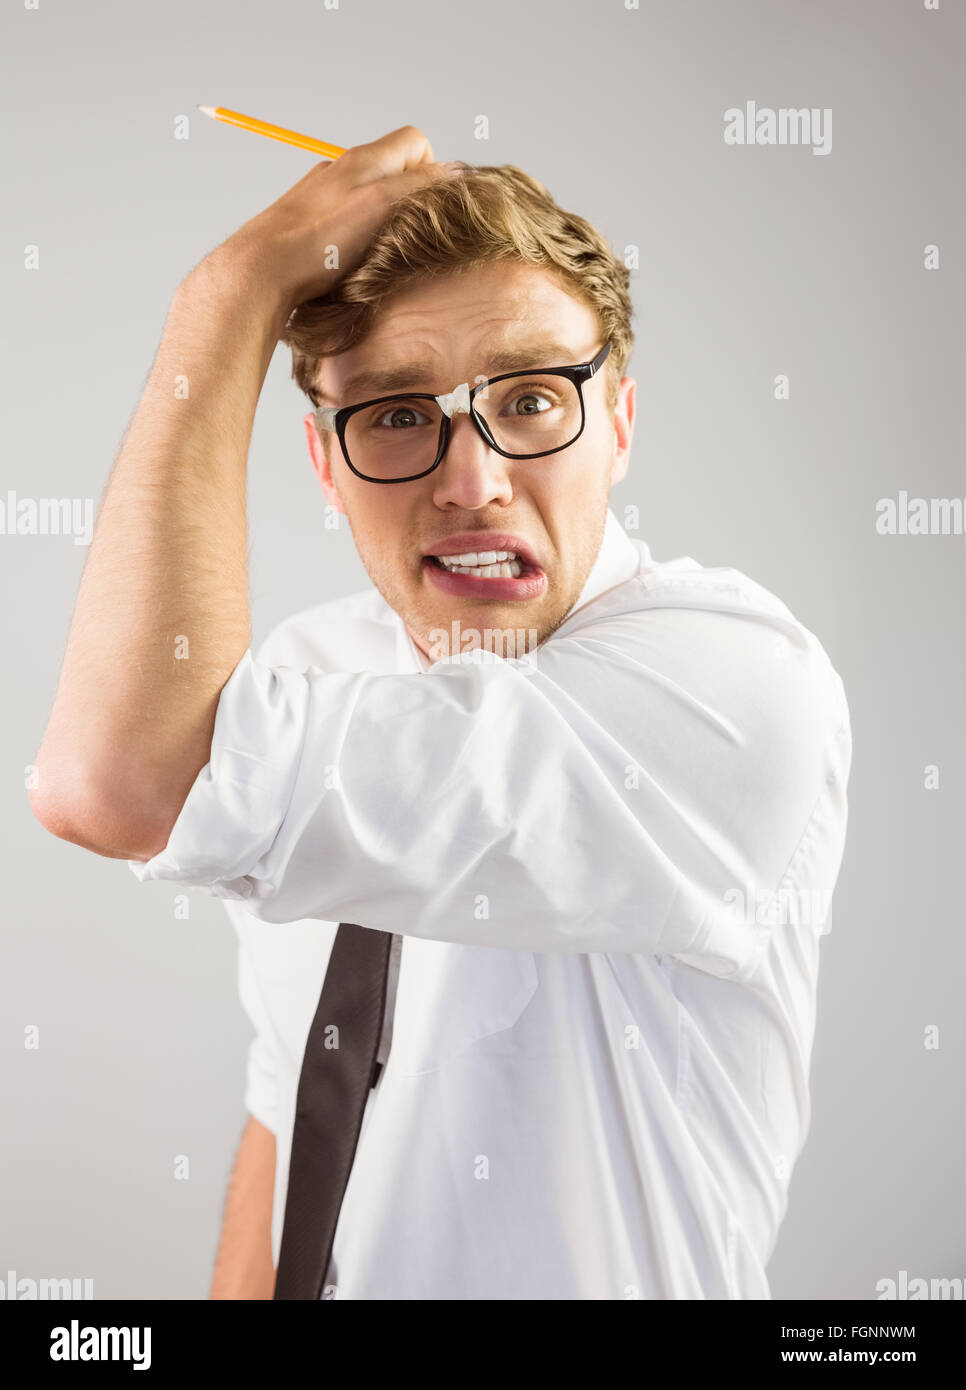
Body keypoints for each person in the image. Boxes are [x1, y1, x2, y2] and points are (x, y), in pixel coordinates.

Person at [30, 125, 852, 1300]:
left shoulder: (733, 686)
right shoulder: (309, 672)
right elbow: (294, 1104)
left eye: (528, 398)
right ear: (324, 464)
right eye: (400, 416)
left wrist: (228, 293)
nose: (472, 479)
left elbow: (110, 781)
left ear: (619, 419)